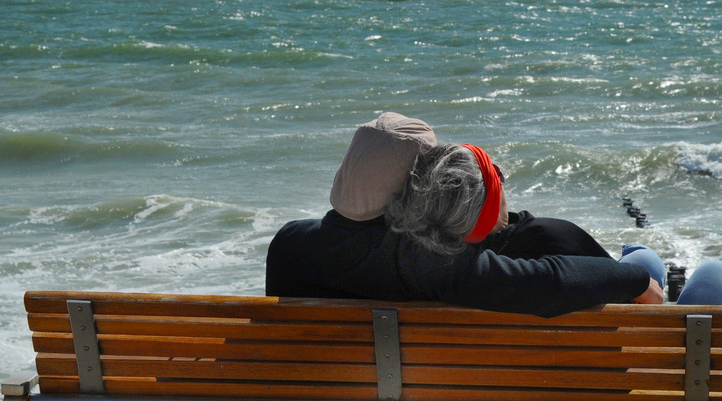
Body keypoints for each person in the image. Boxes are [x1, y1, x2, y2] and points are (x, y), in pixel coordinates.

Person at [266, 114, 659, 317]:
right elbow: (547, 282)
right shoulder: (422, 263)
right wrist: (637, 278)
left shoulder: (289, 243)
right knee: (651, 260)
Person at [385, 142, 722, 308]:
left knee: (644, 261)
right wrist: (633, 278)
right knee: (717, 272)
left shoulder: (400, 266)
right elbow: (574, 282)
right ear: (489, 205)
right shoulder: (547, 246)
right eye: (497, 177)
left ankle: (641, 256)